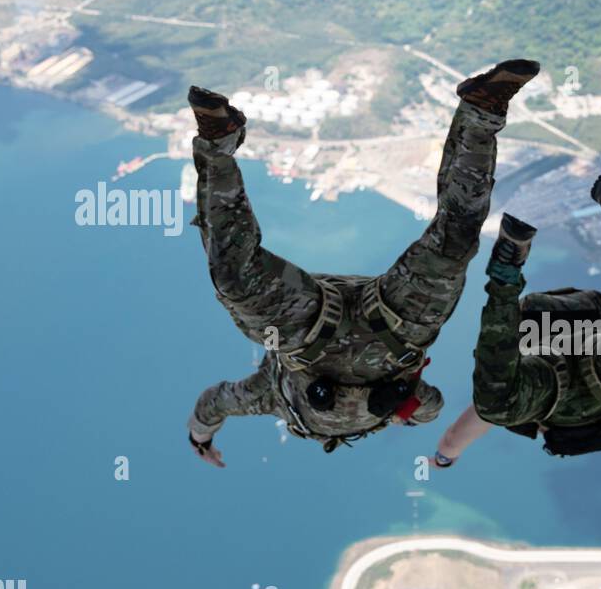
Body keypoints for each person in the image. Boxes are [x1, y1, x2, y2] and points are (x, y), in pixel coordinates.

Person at [183, 59, 541, 465]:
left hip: (304, 329)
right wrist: (403, 405)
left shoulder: (269, 397)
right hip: (394, 330)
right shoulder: (398, 406)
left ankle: (217, 143)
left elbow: (213, 403)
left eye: (324, 405)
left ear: (301, 416)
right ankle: (482, 111)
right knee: (453, 245)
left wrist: (200, 438)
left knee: (233, 276)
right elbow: (433, 406)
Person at [434, 135, 601, 466]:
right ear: (543, 429)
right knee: (493, 405)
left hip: (592, 331)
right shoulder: (527, 411)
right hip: (544, 333)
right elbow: (454, 438)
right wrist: (442, 459)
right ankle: (505, 273)